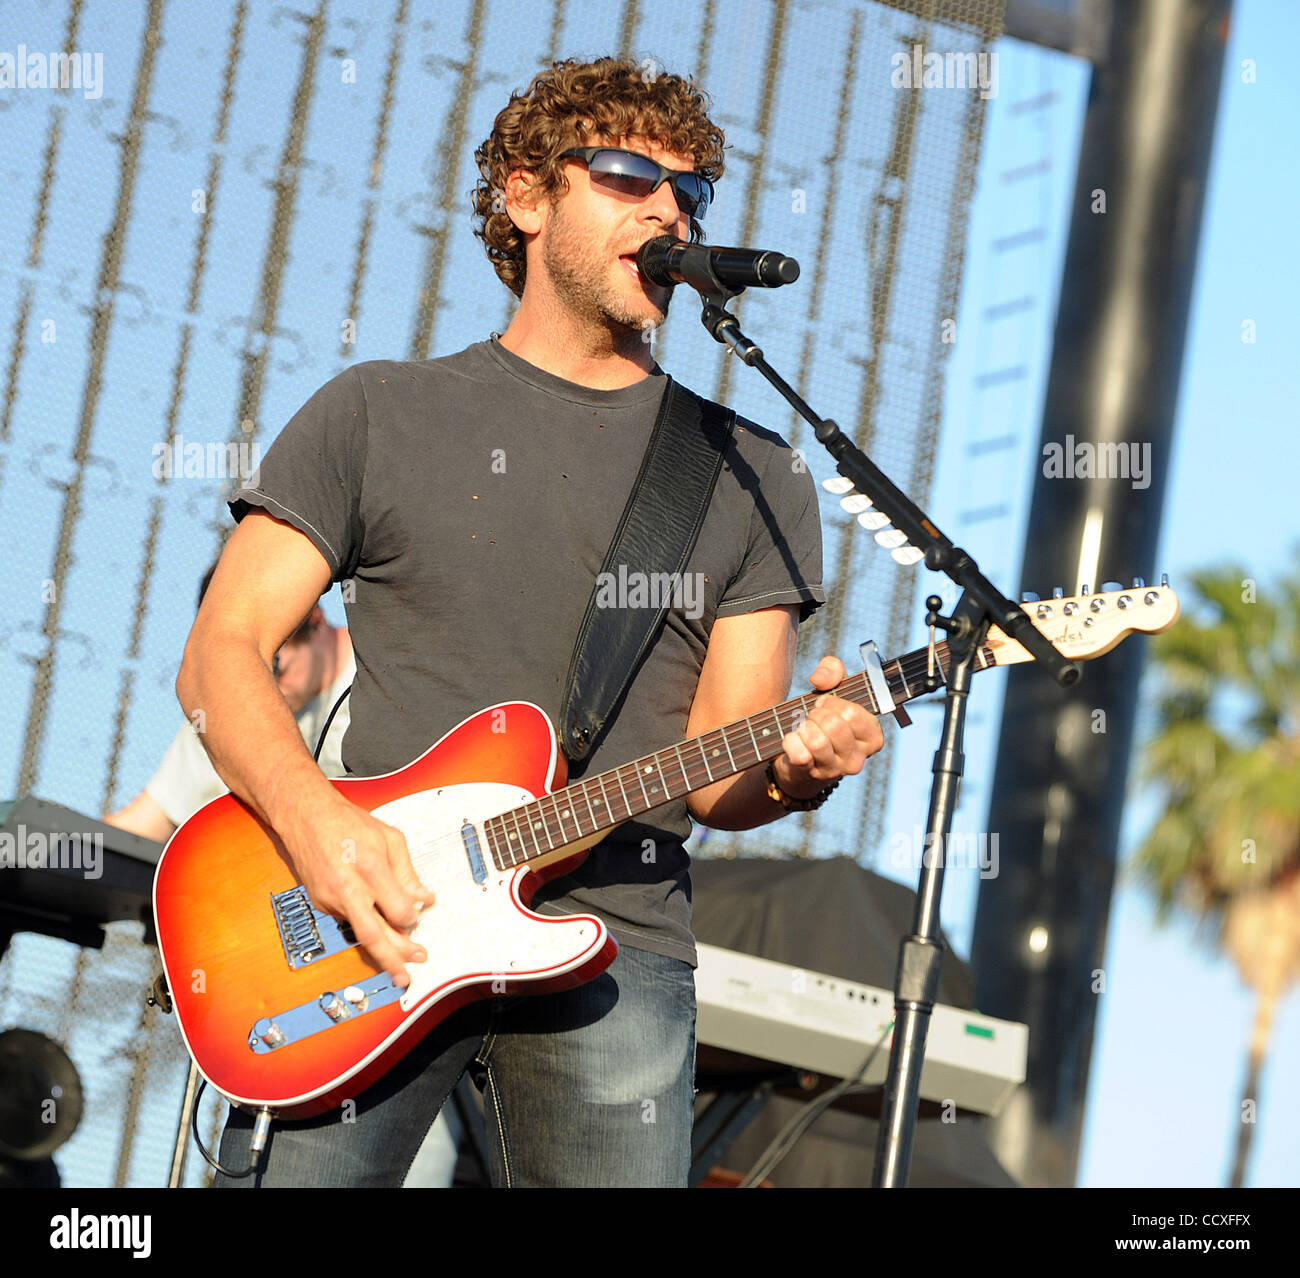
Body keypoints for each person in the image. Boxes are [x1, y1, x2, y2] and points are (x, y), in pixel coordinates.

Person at [177, 55, 884, 1188]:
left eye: (689, 190)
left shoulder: (750, 474)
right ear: (524, 195)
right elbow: (221, 655)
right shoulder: (379, 411)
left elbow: (724, 775)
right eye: (625, 176)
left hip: (621, 946)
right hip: (372, 918)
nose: (668, 208)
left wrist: (808, 768)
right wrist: (321, 833)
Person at [105, 569, 355, 843]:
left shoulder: (383, 670)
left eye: (277, 671)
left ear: (316, 620)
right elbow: (148, 821)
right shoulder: (228, 709)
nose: (269, 694)